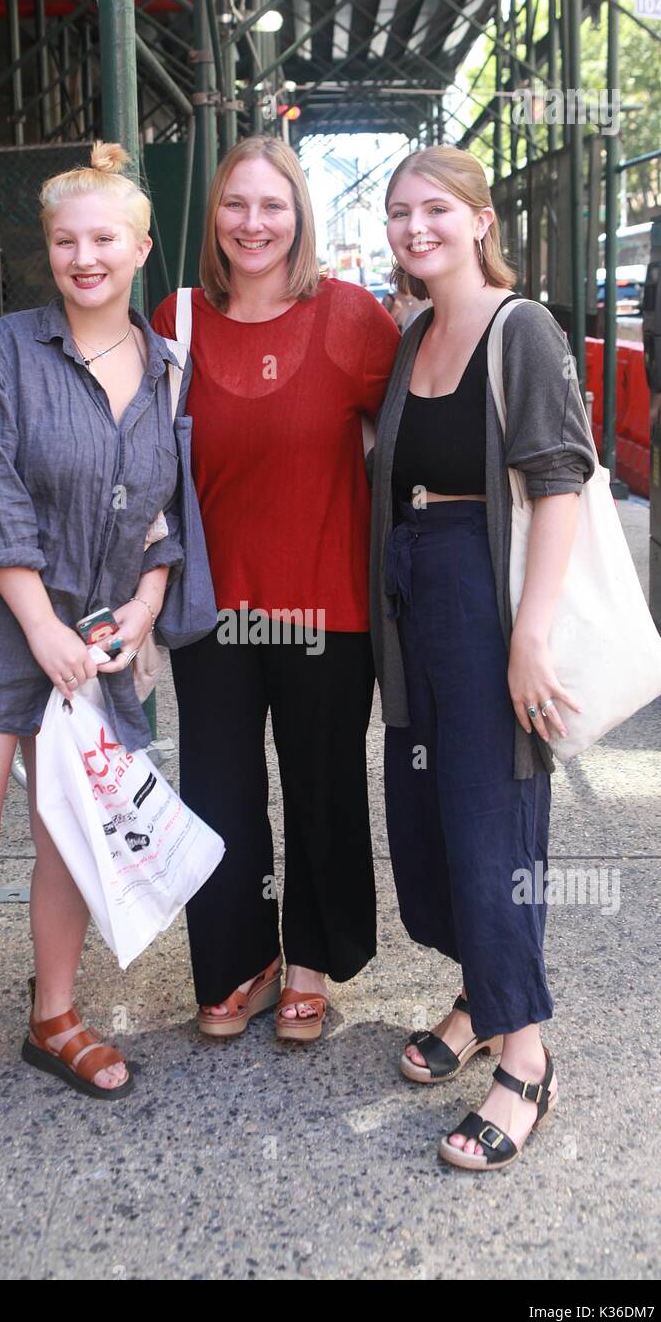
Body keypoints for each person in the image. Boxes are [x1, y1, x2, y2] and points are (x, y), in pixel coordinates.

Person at [0, 141, 216, 1174]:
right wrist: (39, 625)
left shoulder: (165, 367)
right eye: (67, 240)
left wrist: (147, 601)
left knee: (72, 835)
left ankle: (55, 1015)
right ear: (50, 249)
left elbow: (166, 511)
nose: (85, 257)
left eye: (105, 239)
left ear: (141, 249)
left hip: (93, 637)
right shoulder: (6, 351)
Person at [368, 145, 594, 1170]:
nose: (417, 230)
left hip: (483, 591)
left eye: (436, 211)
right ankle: (477, 997)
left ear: (479, 219)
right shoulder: (413, 333)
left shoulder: (523, 327)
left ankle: (528, 1059)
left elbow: (558, 486)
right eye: (400, 214)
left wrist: (529, 637)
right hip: (415, 588)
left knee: (491, 819)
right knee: (427, 813)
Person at [153, 136, 400, 1041]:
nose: (252, 224)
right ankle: (237, 961)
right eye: (235, 205)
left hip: (325, 608)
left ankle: (310, 963)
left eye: (272, 206)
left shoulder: (349, 317)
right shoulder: (174, 319)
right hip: (213, 606)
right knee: (217, 791)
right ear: (213, 216)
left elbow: (414, 425)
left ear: (299, 216)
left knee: (321, 784)